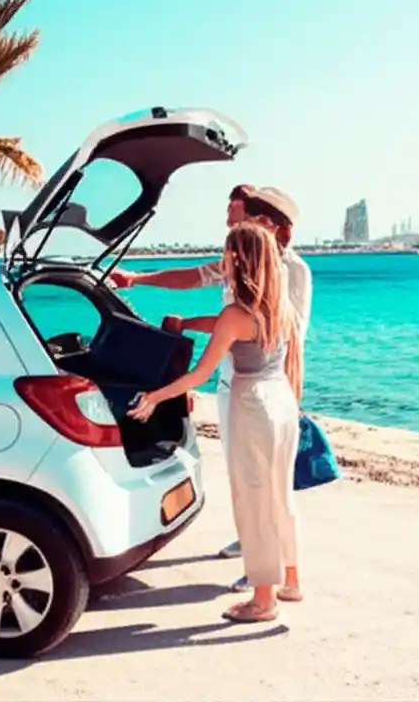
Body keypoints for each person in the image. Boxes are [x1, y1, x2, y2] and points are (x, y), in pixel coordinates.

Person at [111, 186, 313, 591]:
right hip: (271, 393)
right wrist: (142, 282)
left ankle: (262, 589)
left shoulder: (279, 273)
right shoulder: (267, 289)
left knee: (253, 491)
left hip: (254, 394)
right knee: (272, 491)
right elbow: (244, 323)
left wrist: (156, 395)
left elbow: (233, 337)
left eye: (236, 216)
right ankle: (288, 577)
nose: (224, 264)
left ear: (266, 224)